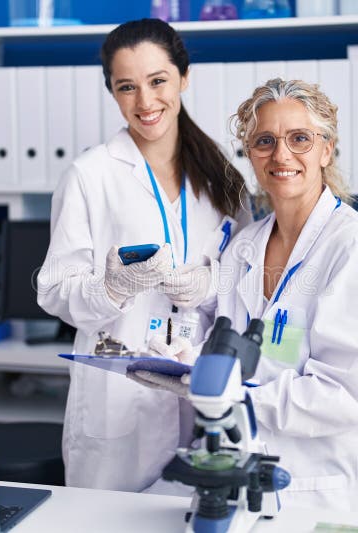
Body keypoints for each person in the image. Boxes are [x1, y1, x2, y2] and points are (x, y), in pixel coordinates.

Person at [136, 78, 358, 513]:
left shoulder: (357, 251)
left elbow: (348, 393)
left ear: (326, 149)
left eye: (299, 138)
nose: (281, 155)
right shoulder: (246, 245)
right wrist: (187, 358)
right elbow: (231, 340)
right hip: (244, 472)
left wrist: (235, 398)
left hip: (326, 491)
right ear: (250, 153)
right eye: (265, 141)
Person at [36, 18, 251, 494]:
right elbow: (53, 290)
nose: (145, 102)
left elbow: (247, 276)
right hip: (120, 397)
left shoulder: (223, 176)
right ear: (113, 93)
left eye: (158, 81)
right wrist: (110, 288)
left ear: (184, 77)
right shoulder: (90, 175)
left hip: (199, 390)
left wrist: (211, 282)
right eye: (127, 87)